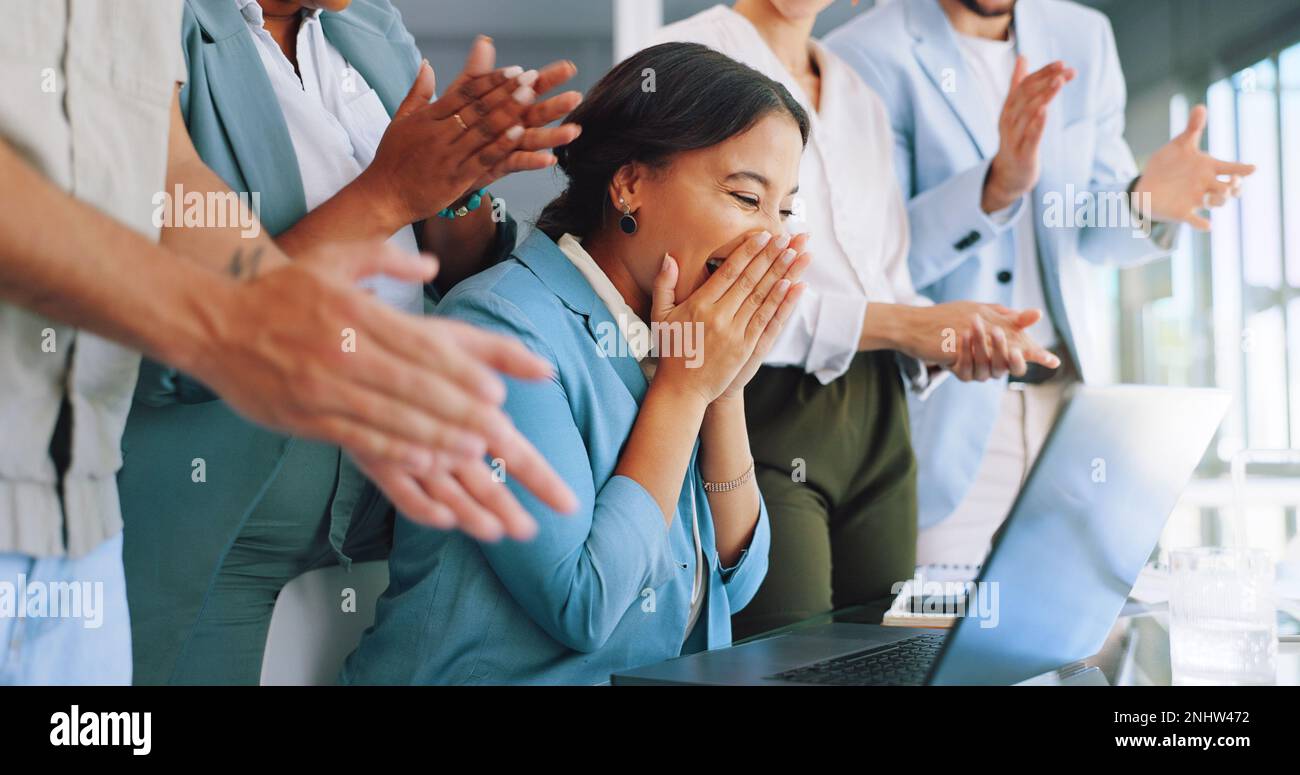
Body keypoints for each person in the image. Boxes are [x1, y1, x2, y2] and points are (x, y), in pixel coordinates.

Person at [0, 0, 573, 685]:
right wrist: (238, 315)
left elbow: (171, 174)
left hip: (72, 502)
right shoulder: (187, 23)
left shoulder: (361, 29)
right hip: (125, 502)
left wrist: (452, 186)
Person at [342, 42, 812, 684]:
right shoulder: (500, 325)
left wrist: (721, 390)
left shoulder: (672, 337)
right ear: (630, 185)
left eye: (785, 210)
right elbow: (581, 604)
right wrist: (685, 391)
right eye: (745, 197)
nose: (773, 239)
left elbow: (736, 581)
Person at [653, 0, 1059, 638]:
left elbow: (887, 275)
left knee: (889, 650)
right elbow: (690, 286)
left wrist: (947, 338)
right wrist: (903, 325)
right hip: (759, 404)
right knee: (790, 658)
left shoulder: (858, 91)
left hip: (880, 416)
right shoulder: (683, 60)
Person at [826, 0, 1256, 564]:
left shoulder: (1084, 35)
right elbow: (879, 261)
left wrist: (1144, 201)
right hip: (949, 416)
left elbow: (1090, 238)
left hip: (1070, 402)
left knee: (1081, 633)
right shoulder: (863, 53)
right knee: (934, 634)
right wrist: (995, 187)